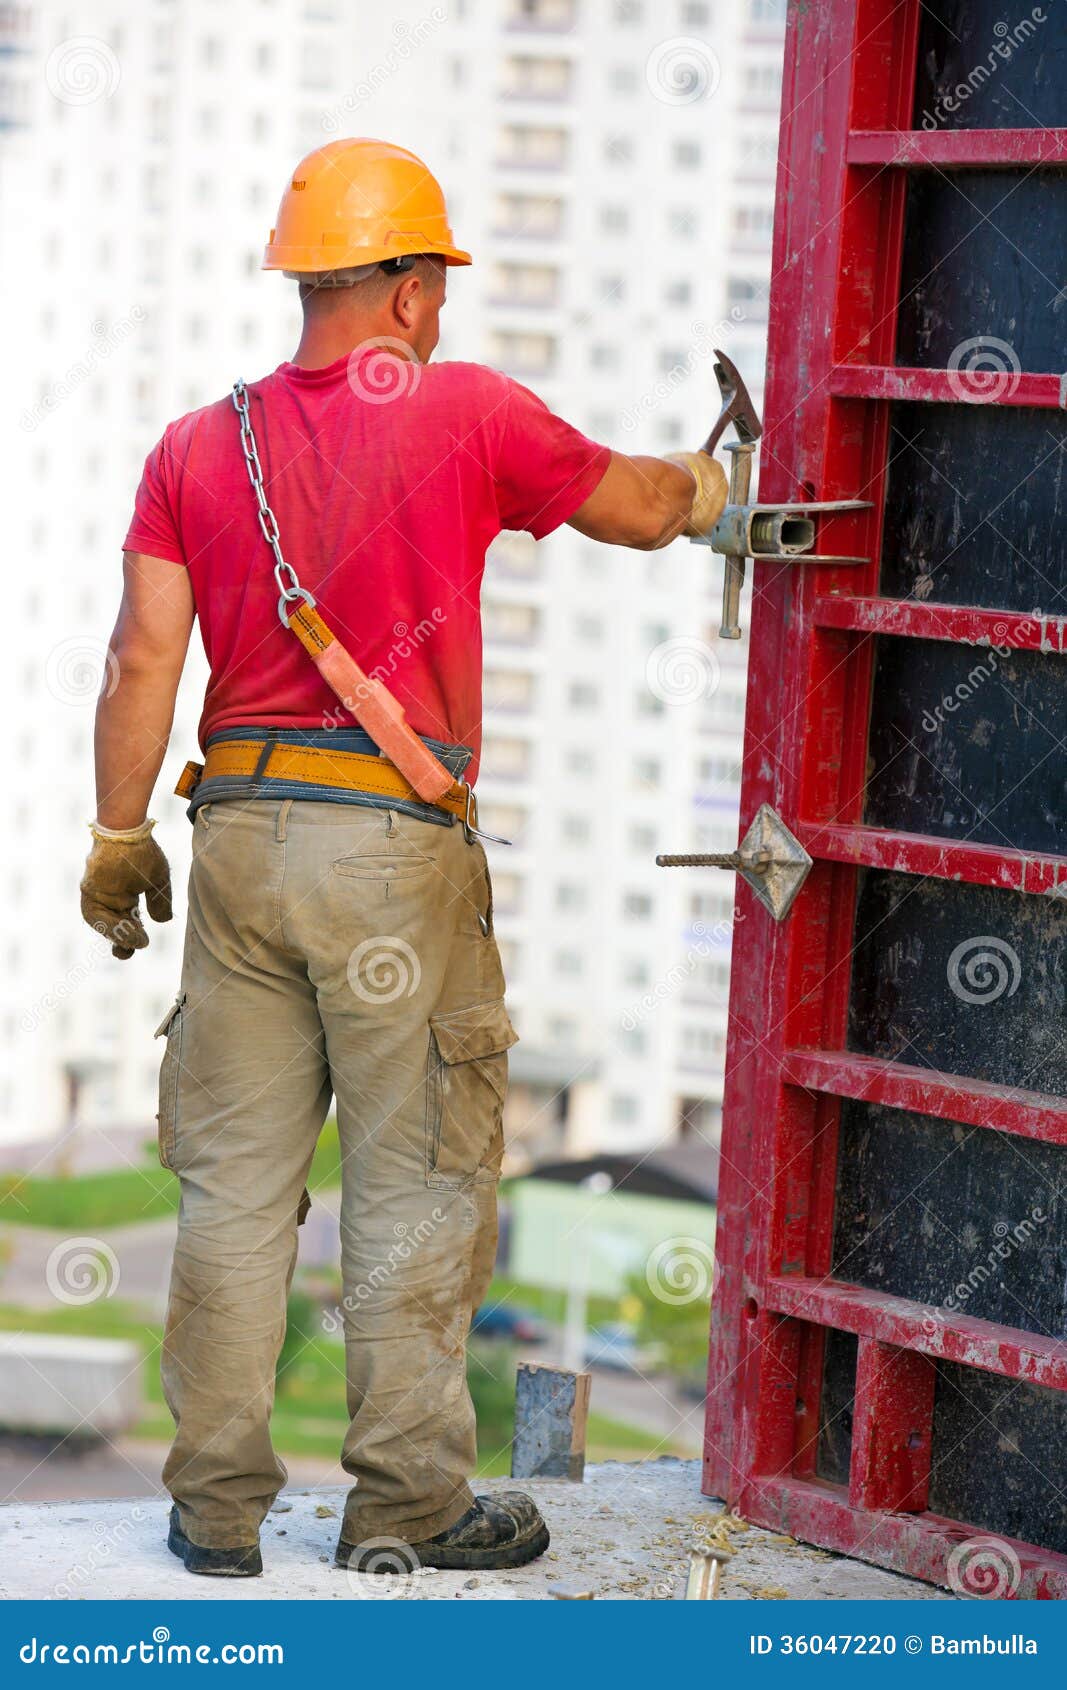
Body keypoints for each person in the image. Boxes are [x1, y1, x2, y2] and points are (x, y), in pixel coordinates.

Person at [79, 139, 727, 1578]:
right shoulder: (469, 414)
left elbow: (139, 656)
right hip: (388, 846)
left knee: (236, 1190)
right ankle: (407, 1505)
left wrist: (118, 833)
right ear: (418, 292)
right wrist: (712, 482)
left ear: (306, 279)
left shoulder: (198, 445)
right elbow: (630, 503)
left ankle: (219, 1510)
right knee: (417, 1179)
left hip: (237, 840)